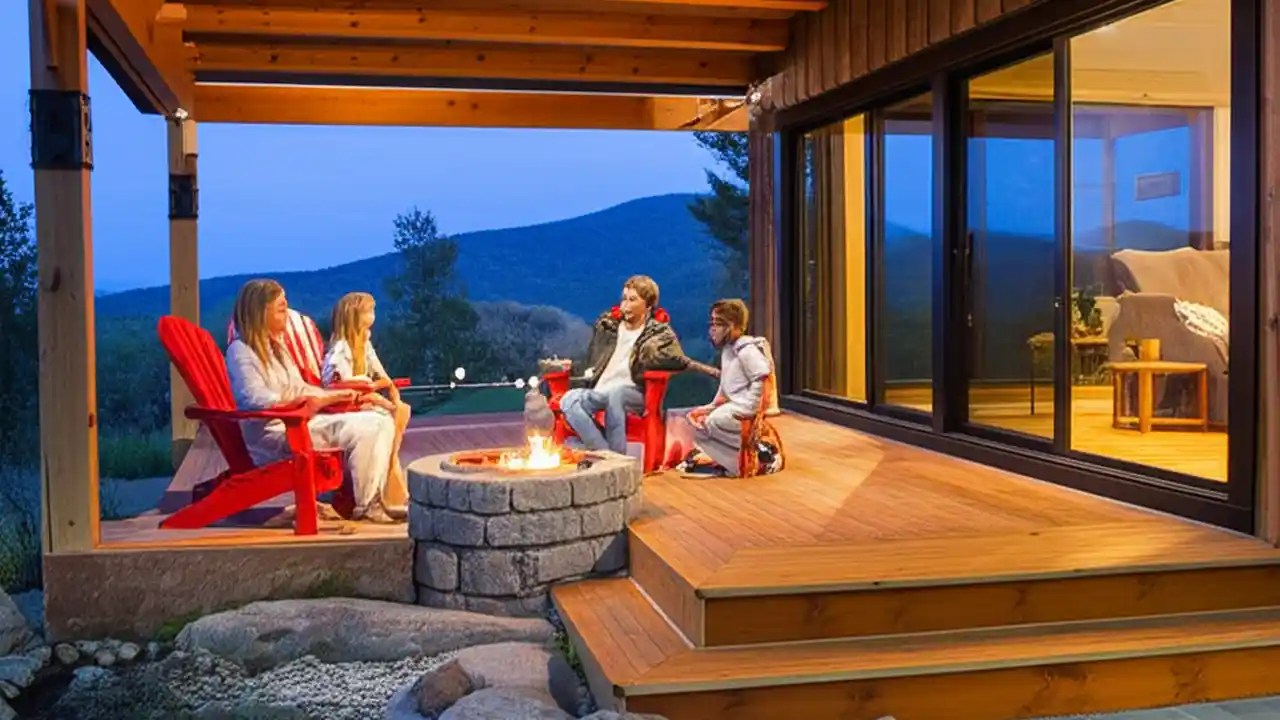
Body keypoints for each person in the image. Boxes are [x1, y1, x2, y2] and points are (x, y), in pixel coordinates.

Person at [225, 279, 398, 524]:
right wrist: (306, 401)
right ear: (260, 312)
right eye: (281, 308)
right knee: (371, 426)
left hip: (298, 425)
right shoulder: (241, 351)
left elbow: (300, 387)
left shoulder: (276, 349)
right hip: (278, 435)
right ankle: (366, 504)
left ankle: (368, 500)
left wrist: (335, 395)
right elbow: (253, 398)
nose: (287, 314)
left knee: (379, 418)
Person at [559, 275, 703, 454]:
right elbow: (593, 359)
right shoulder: (608, 327)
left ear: (648, 305)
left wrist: (710, 371)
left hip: (633, 393)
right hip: (600, 390)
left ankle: (613, 455)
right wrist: (571, 368)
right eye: (624, 299)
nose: (625, 306)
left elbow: (678, 359)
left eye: (632, 300)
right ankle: (608, 455)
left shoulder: (658, 333)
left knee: (616, 393)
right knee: (569, 400)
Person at [322, 291, 411, 520]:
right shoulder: (341, 347)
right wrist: (369, 390)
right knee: (389, 416)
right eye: (368, 311)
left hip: (363, 397)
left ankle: (388, 487)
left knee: (400, 410)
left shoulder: (364, 340)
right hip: (347, 403)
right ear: (354, 315)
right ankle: (378, 494)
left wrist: (390, 388)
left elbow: (379, 370)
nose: (373, 315)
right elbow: (334, 380)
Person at [683, 299, 783, 477]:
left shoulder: (746, 350)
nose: (713, 329)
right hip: (734, 406)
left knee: (716, 421)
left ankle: (757, 452)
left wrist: (750, 408)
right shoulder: (728, 350)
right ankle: (734, 463)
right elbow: (725, 386)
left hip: (744, 409)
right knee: (699, 424)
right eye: (712, 323)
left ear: (733, 325)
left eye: (719, 323)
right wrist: (708, 408)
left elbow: (761, 376)